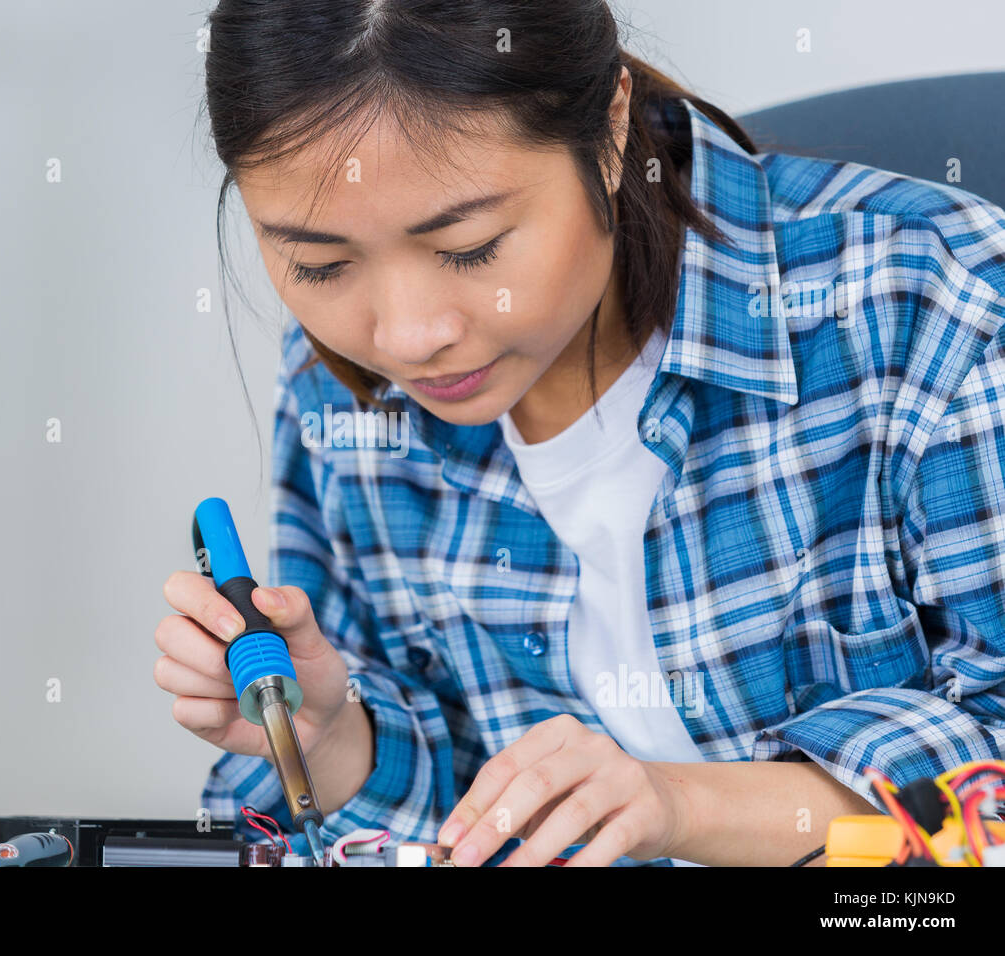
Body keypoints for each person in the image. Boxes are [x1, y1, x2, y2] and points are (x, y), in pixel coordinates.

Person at [155, 0, 1005, 866]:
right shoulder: (342, 385)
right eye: (322, 266)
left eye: (471, 248)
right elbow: (425, 817)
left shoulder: (935, 303)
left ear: (607, 131)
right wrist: (333, 739)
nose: (407, 335)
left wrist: (678, 804)